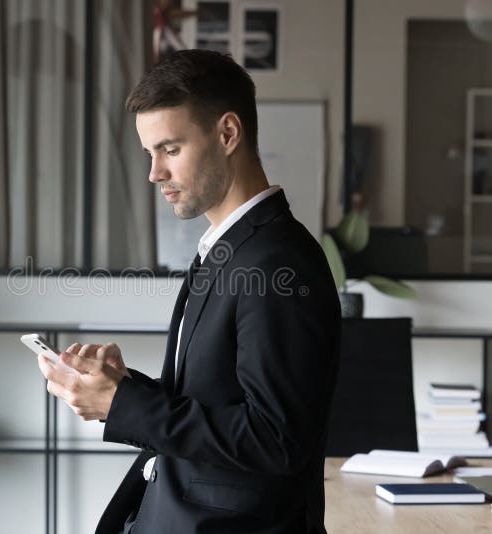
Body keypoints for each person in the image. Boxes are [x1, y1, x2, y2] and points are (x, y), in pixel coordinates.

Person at [37, 49, 341, 534]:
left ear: (227, 134)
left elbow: (276, 439)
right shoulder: (227, 248)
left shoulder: (277, 262)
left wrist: (124, 407)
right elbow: (216, 403)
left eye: (170, 149)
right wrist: (121, 389)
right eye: (149, 153)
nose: (154, 173)